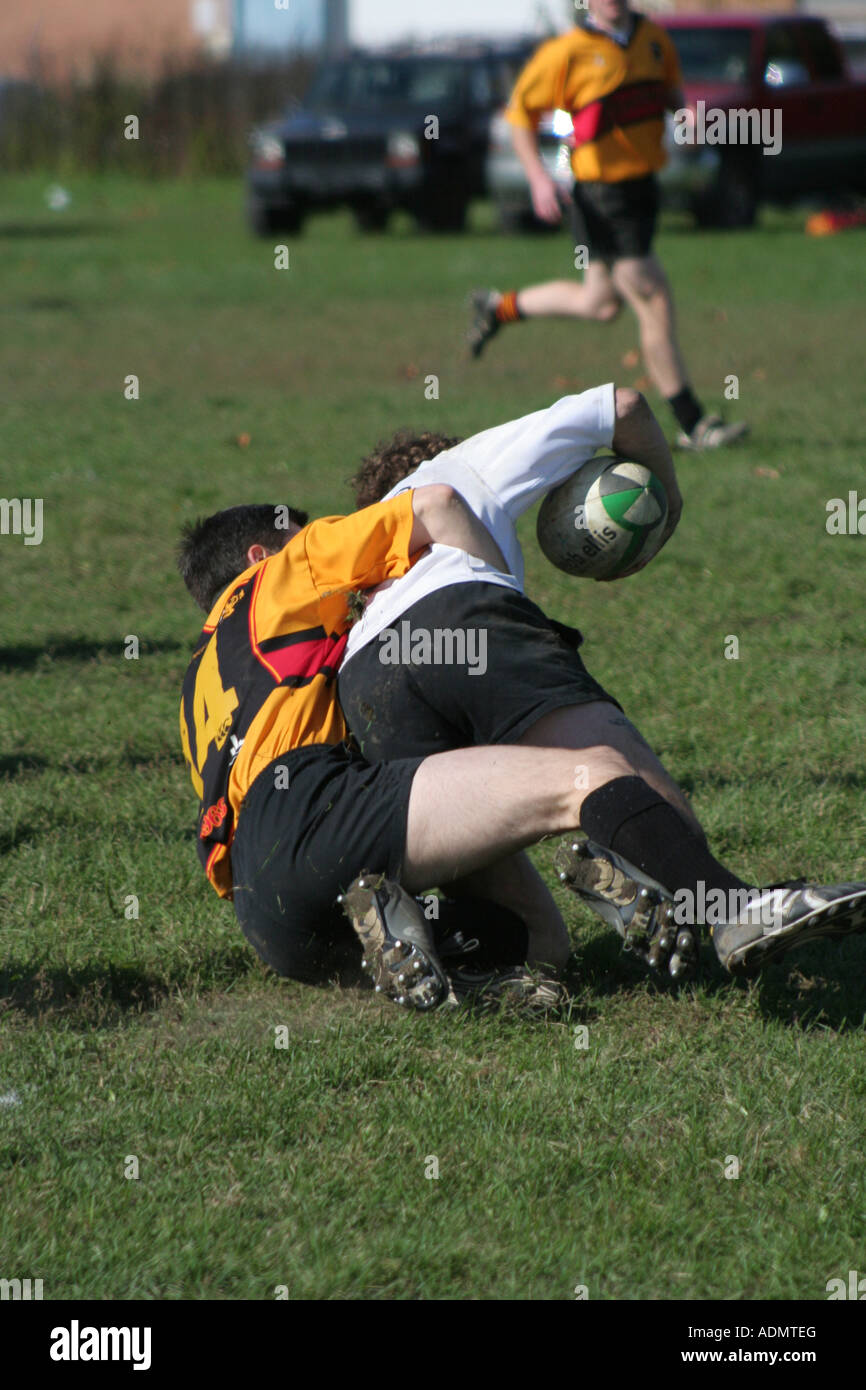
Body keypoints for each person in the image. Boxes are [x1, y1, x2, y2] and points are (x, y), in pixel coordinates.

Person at [176, 407, 866, 1013]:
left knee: (544, 945)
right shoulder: (285, 573)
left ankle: (428, 943)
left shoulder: (195, 686)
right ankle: (733, 909)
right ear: (261, 550)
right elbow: (434, 503)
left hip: (266, 915)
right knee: (589, 772)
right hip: (319, 813)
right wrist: (493, 600)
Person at [466, 0, 748, 453]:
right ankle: (692, 422)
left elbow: (670, 92)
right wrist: (539, 179)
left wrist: (685, 116)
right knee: (650, 292)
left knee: (600, 303)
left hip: (643, 186)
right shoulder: (567, 52)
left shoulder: (653, 39)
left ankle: (497, 307)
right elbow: (520, 115)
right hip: (602, 193)